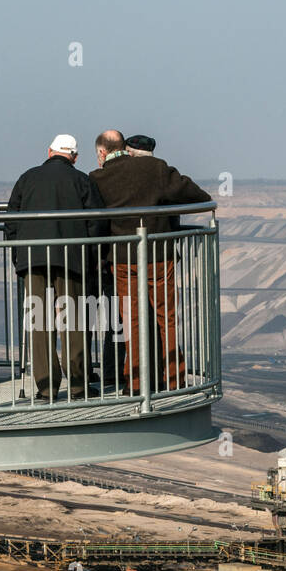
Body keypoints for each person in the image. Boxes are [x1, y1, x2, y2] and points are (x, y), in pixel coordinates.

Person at [89, 130, 211, 394]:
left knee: (131, 321)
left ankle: (135, 383)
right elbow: (199, 197)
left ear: (104, 152)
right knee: (165, 318)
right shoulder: (156, 169)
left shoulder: (99, 177)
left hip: (122, 258)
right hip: (158, 255)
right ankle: (174, 378)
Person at [6, 135, 105, 403]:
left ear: (49, 151)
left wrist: (18, 256)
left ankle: (46, 388)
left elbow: (11, 220)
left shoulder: (27, 178)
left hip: (33, 259)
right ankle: (78, 385)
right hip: (71, 259)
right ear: (74, 156)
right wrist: (91, 260)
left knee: (39, 322)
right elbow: (95, 224)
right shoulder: (82, 180)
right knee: (73, 321)